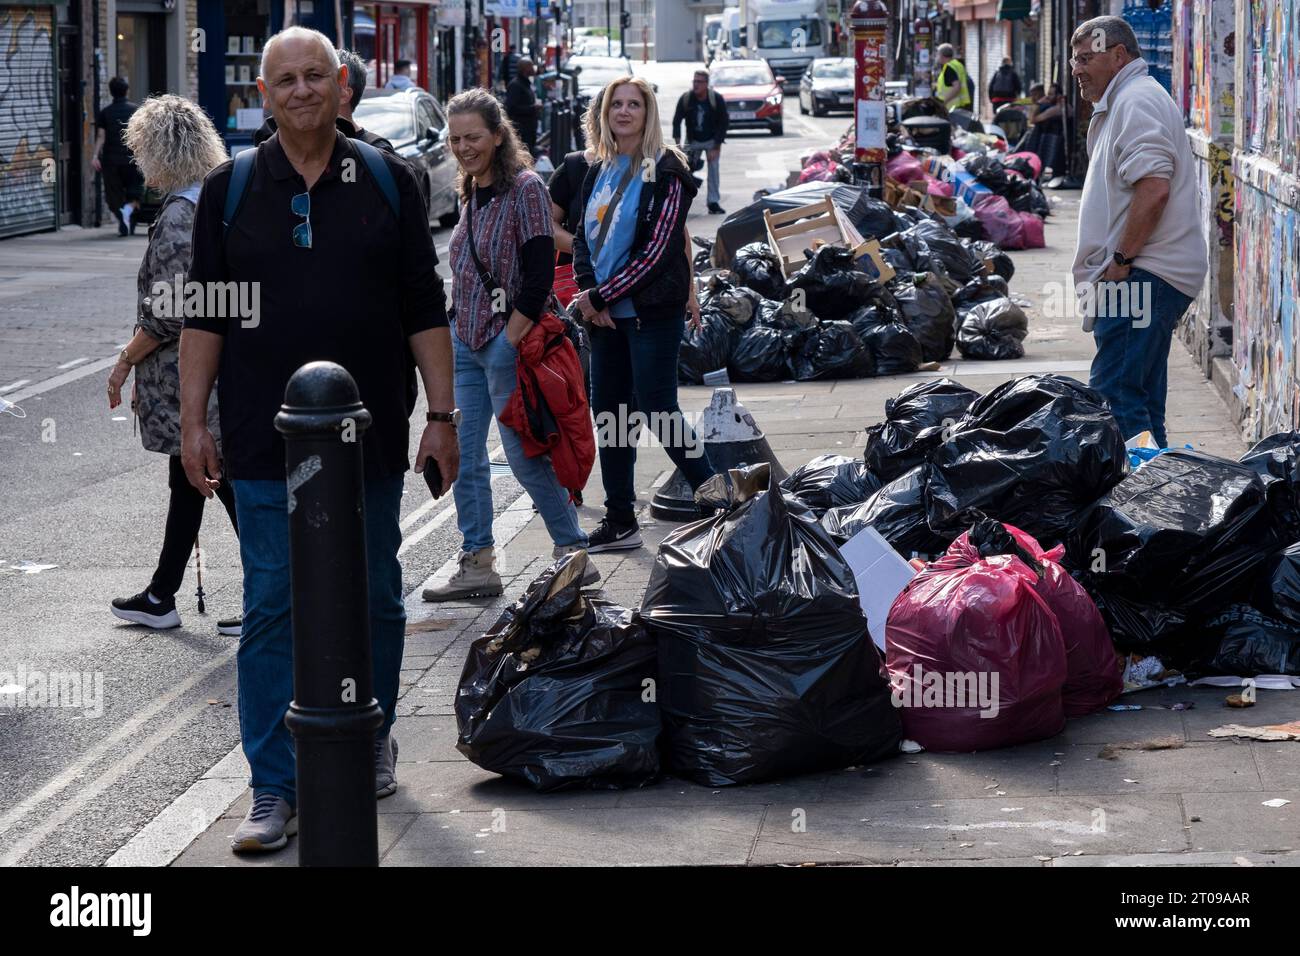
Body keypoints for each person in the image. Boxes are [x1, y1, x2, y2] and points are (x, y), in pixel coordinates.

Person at [180, 27, 458, 853]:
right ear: (262, 96)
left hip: (367, 434)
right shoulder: (230, 189)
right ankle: (273, 785)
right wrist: (193, 422)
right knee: (272, 603)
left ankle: (367, 735)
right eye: (285, 80)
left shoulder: (387, 180)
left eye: (316, 76)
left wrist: (443, 419)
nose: (302, 91)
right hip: (264, 442)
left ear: (343, 85)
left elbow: (423, 305)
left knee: (373, 589)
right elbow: (204, 317)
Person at [421, 87, 594, 603]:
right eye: (455, 138)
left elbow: (540, 271)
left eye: (473, 136)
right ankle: (477, 561)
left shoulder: (527, 188)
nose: (463, 146)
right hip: (464, 340)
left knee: (521, 456)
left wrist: (512, 334)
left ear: (498, 136)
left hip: (504, 340)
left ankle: (573, 552)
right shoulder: (468, 189)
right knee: (465, 455)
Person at [107, 95, 240, 636]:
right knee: (191, 476)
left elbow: (171, 311)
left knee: (218, 474)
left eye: (141, 151)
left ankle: (276, 596)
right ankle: (162, 594)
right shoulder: (213, 197)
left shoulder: (182, 214)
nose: (139, 163)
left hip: (190, 376)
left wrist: (122, 364)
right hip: (208, 373)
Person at [570, 77, 714, 553]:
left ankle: (719, 500)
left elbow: (658, 250)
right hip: (606, 317)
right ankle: (619, 518)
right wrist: (594, 294)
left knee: (658, 409)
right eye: (617, 104)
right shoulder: (599, 167)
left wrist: (602, 297)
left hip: (650, 314)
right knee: (610, 414)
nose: (625, 112)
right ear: (605, 112)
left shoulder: (666, 168)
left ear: (649, 113)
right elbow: (582, 241)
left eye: (635, 104)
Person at [1070, 15, 1207, 448]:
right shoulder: (1128, 98)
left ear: (1119, 56)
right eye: (1074, 60)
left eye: (1086, 58)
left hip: (1141, 274)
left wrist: (1120, 262)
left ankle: (1142, 504)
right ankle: (1165, 501)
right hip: (1143, 275)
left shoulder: (1136, 100)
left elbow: (1154, 188)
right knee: (1141, 402)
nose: (1076, 69)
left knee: (1115, 398)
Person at [253, 48, 394, 151]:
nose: (303, 92)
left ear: (343, 92)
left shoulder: (376, 154)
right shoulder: (272, 140)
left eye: (315, 78)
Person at [672, 68, 729, 215]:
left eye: (699, 82)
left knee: (713, 171)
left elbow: (723, 123)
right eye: (694, 81)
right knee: (684, 171)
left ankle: (713, 202)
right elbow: (676, 121)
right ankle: (681, 201)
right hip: (693, 139)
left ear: (706, 84)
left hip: (711, 139)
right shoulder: (686, 99)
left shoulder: (715, 99)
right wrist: (679, 146)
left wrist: (717, 146)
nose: (696, 85)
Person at [94, 77, 144, 236]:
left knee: (113, 195)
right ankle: (128, 212)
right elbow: (142, 136)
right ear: (127, 90)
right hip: (132, 160)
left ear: (111, 92)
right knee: (134, 192)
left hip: (111, 161)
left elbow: (101, 136)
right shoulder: (136, 110)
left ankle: (122, 215)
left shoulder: (105, 113)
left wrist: (95, 155)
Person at [505, 56, 542, 154]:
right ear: (525, 68)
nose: (533, 68)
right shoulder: (515, 85)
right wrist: (532, 108)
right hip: (522, 130)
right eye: (531, 66)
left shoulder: (526, 83)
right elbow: (511, 108)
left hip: (529, 129)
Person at [934, 44, 971, 112]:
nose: (937, 57)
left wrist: (943, 102)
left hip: (951, 107)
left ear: (942, 55)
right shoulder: (958, 64)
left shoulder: (949, 67)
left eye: (938, 54)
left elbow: (956, 87)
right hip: (960, 105)